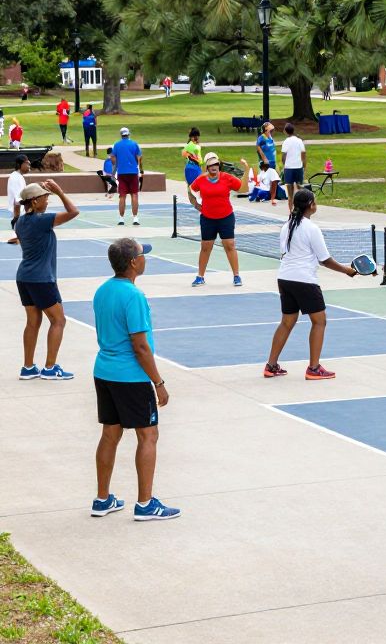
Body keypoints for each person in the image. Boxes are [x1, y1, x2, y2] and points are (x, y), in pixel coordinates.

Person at [90, 238, 179, 521]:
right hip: (130, 377)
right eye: (142, 255)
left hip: (104, 371)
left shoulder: (103, 290)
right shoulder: (134, 296)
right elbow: (140, 346)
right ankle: (145, 504)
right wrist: (159, 382)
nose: (145, 258)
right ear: (133, 263)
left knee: (110, 434)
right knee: (148, 435)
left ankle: (102, 499)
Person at [263, 189, 362, 380]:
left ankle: (271, 365)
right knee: (319, 321)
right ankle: (314, 368)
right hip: (304, 281)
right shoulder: (311, 228)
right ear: (310, 205)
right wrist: (347, 271)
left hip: (284, 278)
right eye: (314, 202)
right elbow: (325, 260)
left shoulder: (287, 226)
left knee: (286, 322)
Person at [15, 181, 80, 380]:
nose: (48, 199)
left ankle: (28, 367)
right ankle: (50, 368)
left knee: (33, 322)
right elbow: (73, 212)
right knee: (58, 320)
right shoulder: (41, 220)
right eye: (45, 197)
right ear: (34, 202)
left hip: (24, 277)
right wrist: (60, 191)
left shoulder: (20, 223)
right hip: (41, 279)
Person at [186, 152, 243, 288]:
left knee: (229, 244)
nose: (214, 167)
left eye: (216, 164)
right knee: (206, 247)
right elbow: (190, 191)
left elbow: (241, 188)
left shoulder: (227, 178)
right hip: (207, 218)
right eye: (211, 165)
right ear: (207, 167)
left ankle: (236, 275)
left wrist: (246, 172)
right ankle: (200, 277)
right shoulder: (201, 180)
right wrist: (196, 205)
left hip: (226, 217)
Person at [112, 127, 143, 226]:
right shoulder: (134, 144)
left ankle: (121, 218)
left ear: (121, 135)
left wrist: (116, 166)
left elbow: (113, 158)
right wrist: (139, 167)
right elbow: (139, 157)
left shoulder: (117, 145)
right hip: (133, 172)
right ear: (128, 134)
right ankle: (135, 218)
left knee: (122, 195)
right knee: (134, 194)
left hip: (122, 172)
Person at [280, 123, 306, 211]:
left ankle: (291, 211)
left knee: (290, 193)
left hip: (289, 168)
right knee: (299, 189)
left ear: (285, 132)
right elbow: (303, 154)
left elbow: (284, 156)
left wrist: (284, 165)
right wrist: (304, 165)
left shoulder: (286, 142)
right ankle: (301, 209)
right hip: (298, 167)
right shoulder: (299, 141)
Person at [7, 154, 29, 244]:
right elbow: (17, 201)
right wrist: (16, 219)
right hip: (20, 215)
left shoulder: (18, 176)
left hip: (21, 215)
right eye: (27, 164)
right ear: (21, 164)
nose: (29, 166)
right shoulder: (16, 178)